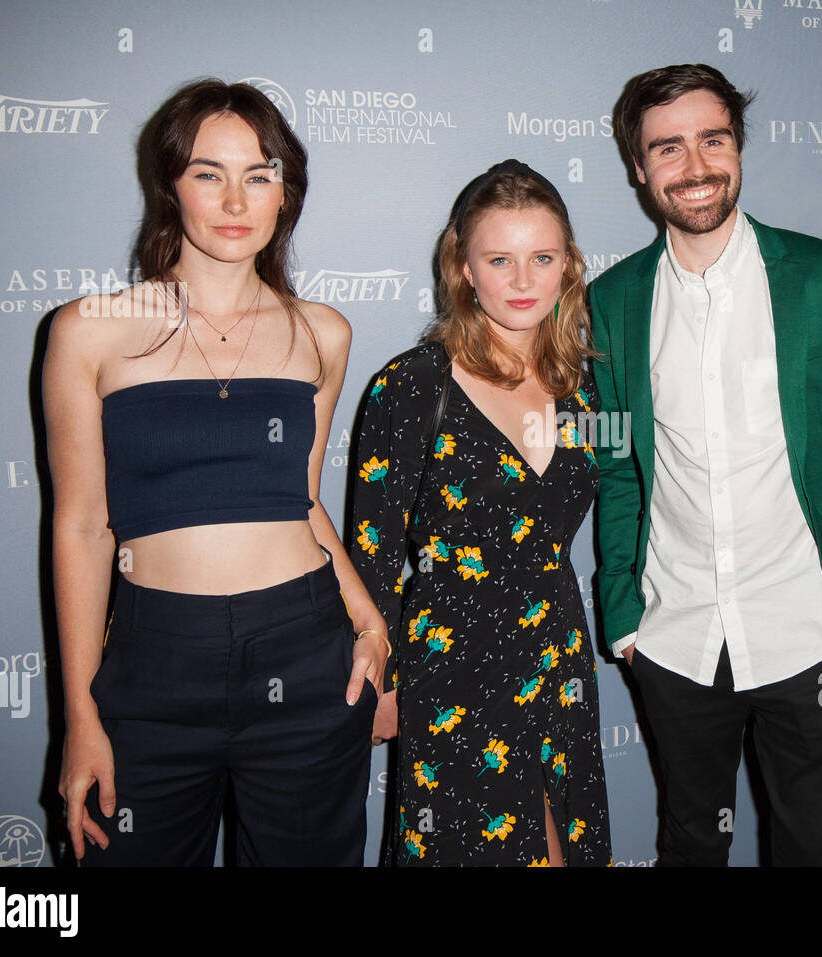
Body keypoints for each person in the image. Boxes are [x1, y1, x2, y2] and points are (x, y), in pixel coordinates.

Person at [46, 79, 388, 866]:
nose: (235, 200)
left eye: (259, 176)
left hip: (305, 649)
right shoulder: (90, 331)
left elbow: (300, 501)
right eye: (209, 173)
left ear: (284, 194)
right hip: (153, 662)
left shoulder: (321, 333)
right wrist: (81, 716)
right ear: (171, 184)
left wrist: (371, 624)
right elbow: (83, 527)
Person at [590, 64, 822, 866]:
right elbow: (618, 464)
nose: (695, 166)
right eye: (667, 147)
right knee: (691, 842)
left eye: (713, 140)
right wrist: (624, 614)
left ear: (739, 148)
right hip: (675, 636)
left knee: (814, 849)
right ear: (638, 168)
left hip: (813, 632)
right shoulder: (612, 300)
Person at [350, 160, 610, 866]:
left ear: (568, 265)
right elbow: (372, 549)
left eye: (542, 258)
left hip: (558, 650)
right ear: (464, 268)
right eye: (500, 260)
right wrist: (380, 679)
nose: (523, 280)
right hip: (453, 664)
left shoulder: (582, 389)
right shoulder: (413, 384)